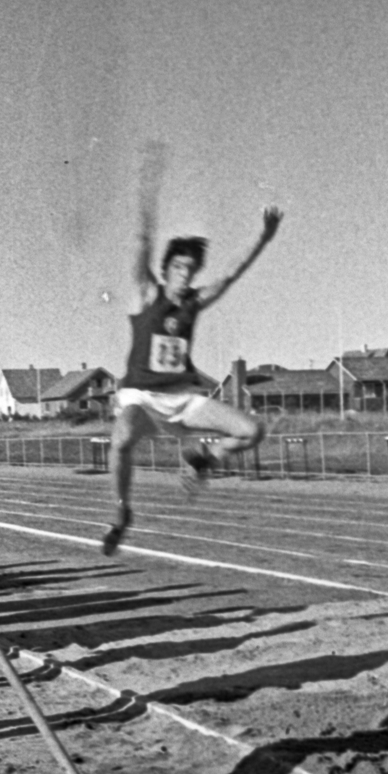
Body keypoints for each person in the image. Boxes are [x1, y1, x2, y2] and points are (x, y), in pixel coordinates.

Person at [102, 206, 283, 555]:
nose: (185, 275)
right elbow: (140, 260)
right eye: (178, 267)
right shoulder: (148, 296)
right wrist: (144, 228)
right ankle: (121, 511)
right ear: (166, 269)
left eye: (190, 269)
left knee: (251, 431)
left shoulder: (194, 303)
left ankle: (205, 458)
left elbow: (231, 275)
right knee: (122, 436)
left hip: (183, 399)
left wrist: (263, 237)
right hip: (141, 399)